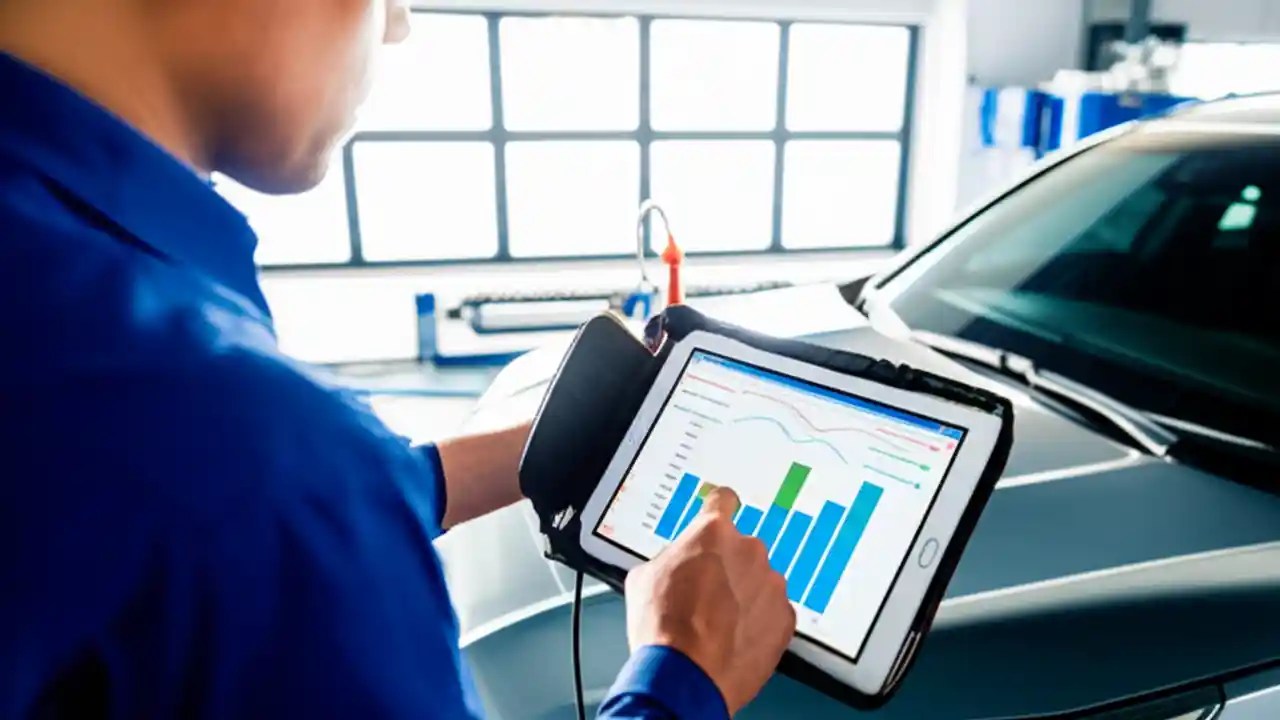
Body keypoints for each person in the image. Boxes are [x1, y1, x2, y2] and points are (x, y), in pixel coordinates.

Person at [0, 0, 798, 718]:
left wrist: (542, 443)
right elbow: (246, 498)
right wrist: (684, 676)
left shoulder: (62, 295)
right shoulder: (255, 450)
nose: (395, 25)